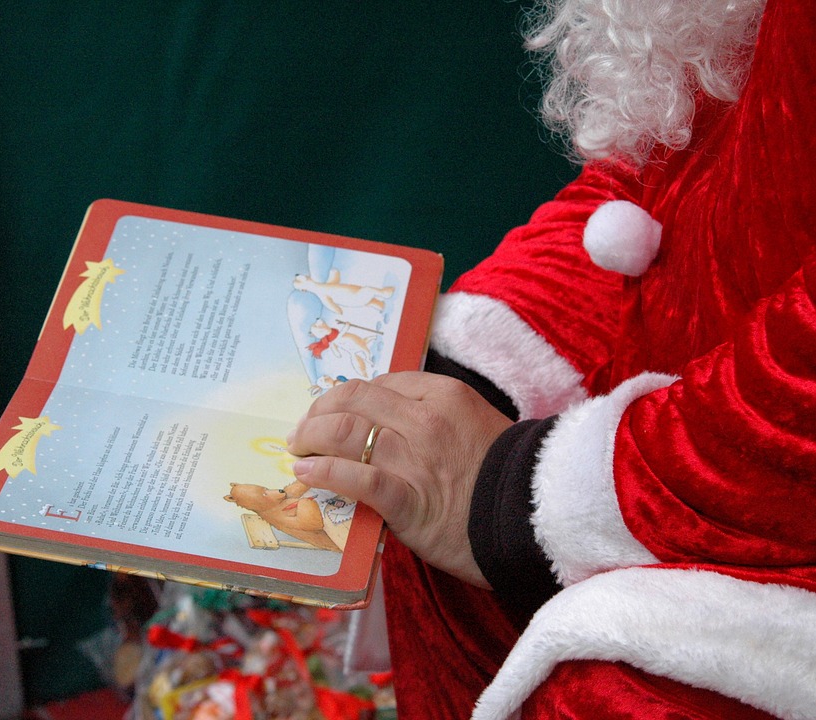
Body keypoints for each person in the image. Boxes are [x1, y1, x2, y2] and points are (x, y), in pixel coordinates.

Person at [286, 0, 816, 717]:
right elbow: (656, 174)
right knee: (415, 493)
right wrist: (477, 363)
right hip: (674, 421)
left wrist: (519, 491)